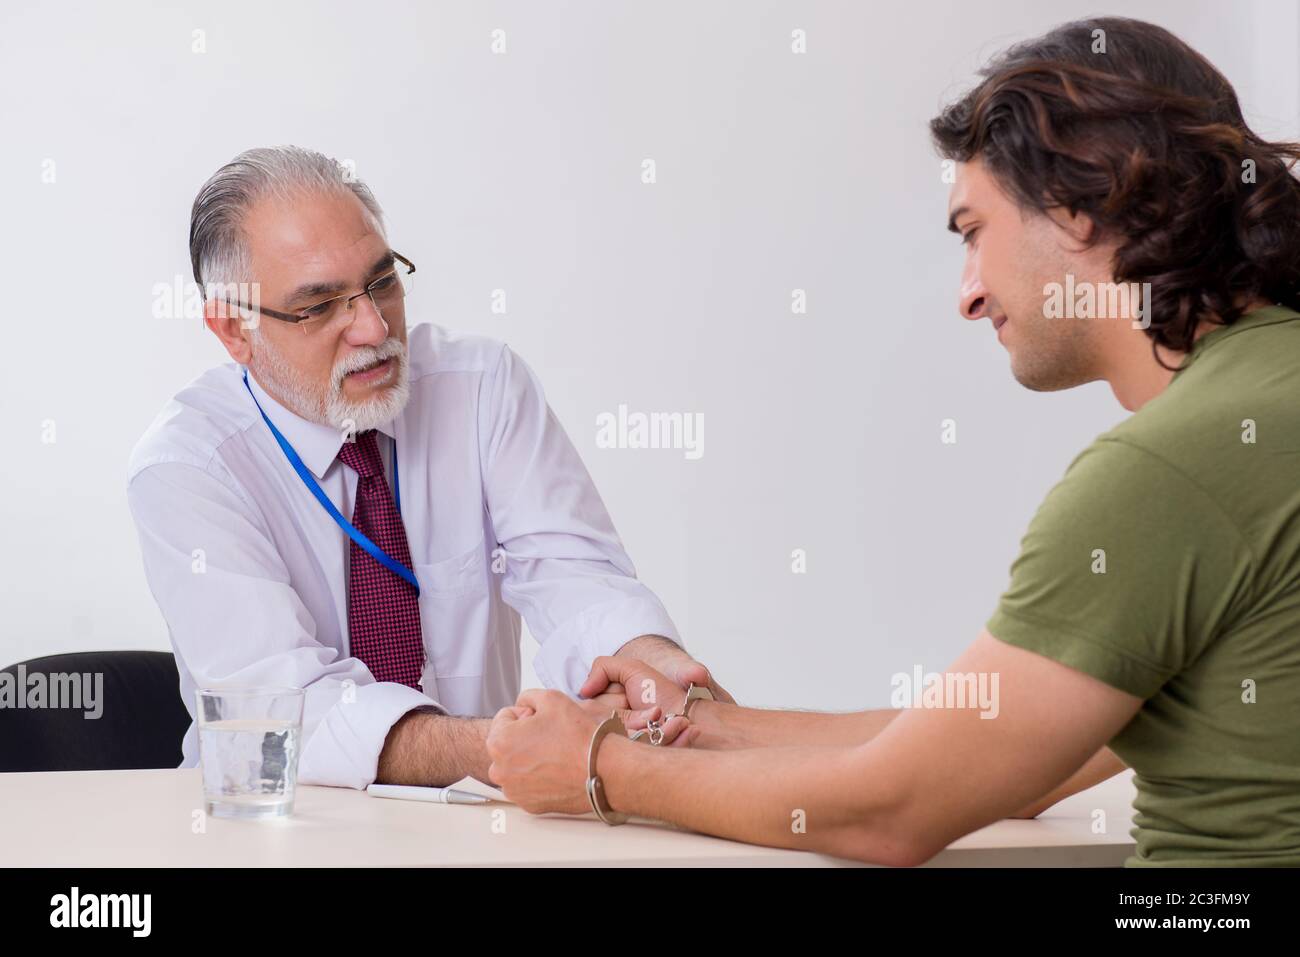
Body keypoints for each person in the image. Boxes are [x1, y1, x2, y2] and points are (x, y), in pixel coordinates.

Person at [485, 17, 1300, 866]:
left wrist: (598, 767)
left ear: (1083, 203)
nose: (969, 295)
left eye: (974, 230)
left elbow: (893, 809)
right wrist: (707, 727)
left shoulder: (1167, 474)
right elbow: (1006, 764)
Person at [127, 146, 723, 790]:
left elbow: (576, 582)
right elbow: (283, 712)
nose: (373, 327)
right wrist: (511, 746)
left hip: (482, 819)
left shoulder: (483, 387)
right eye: (320, 307)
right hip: (281, 829)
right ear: (234, 330)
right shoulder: (188, 467)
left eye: (381, 280)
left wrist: (650, 665)